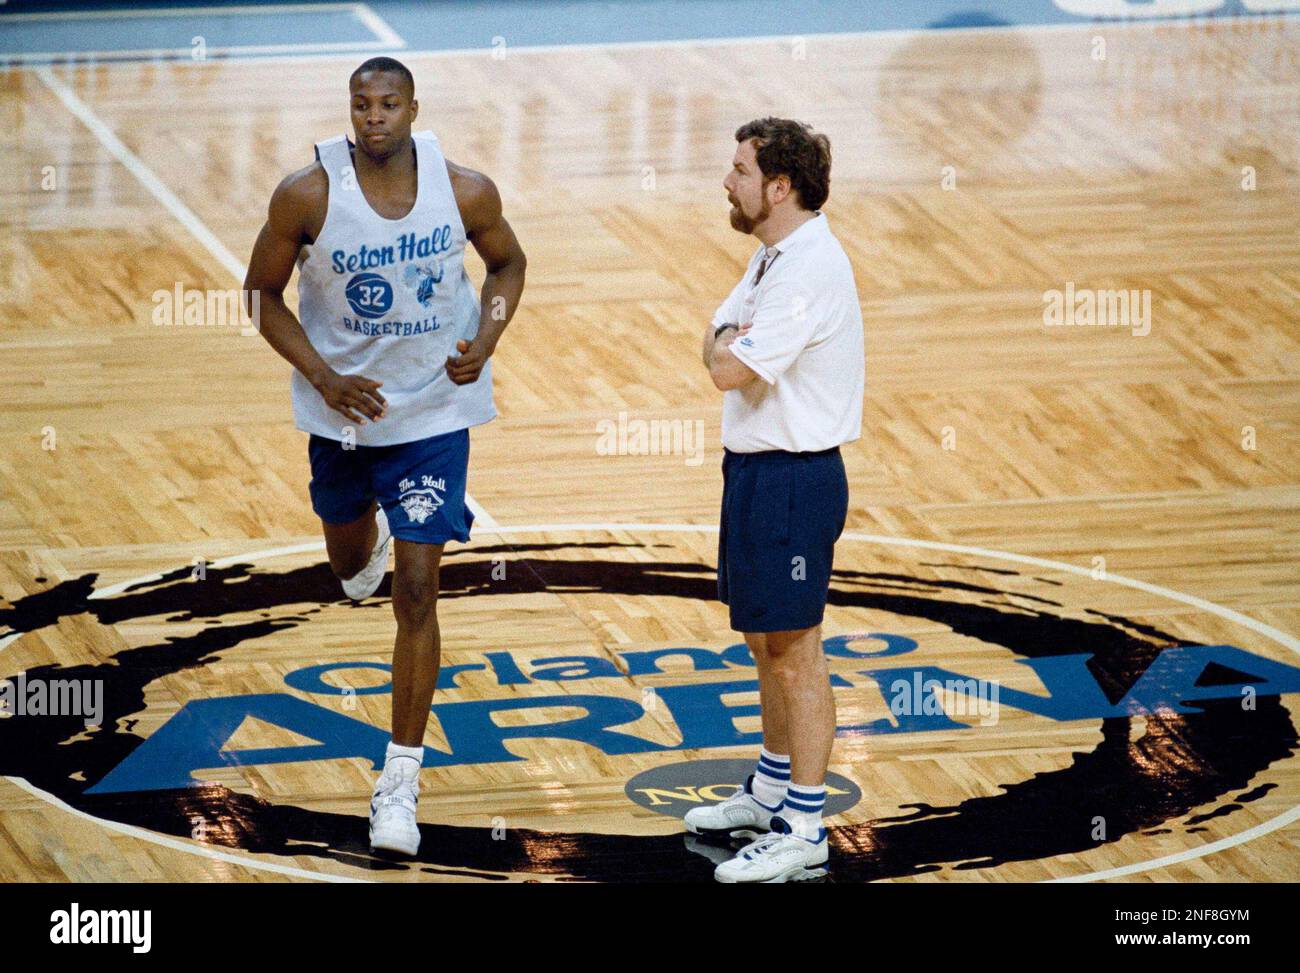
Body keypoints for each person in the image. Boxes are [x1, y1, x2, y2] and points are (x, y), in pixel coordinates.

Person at [243, 56, 526, 857]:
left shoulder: (464, 187)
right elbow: (259, 293)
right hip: (345, 417)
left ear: (412, 109)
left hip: (435, 413)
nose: (374, 117)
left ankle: (399, 779)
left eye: (389, 104)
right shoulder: (307, 193)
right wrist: (325, 376)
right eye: (362, 104)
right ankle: (363, 548)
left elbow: (509, 264)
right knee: (347, 558)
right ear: (350, 111)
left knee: (417, 586)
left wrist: (490, 335)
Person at [687, 117, 864, 883]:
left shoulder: (807, 268)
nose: (727, 182)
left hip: (795, 480)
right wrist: (728, 339)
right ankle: (768, 789)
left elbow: (726, 368)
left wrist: (728, 343)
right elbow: (716, 336)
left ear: (778, 186)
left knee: (796, 652)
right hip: (757, 473)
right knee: (765, 642)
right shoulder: (772, 258)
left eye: (739, 170)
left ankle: (805, 825)